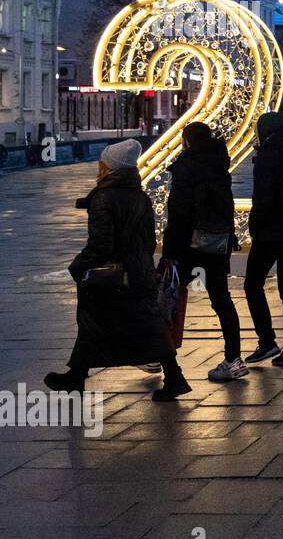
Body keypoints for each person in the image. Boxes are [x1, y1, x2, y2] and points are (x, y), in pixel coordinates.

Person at [46, 139, 192, 401]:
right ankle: (77, 376)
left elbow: (101, 244)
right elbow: (149, 239)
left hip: (113, 275)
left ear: (109, 168)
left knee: (96, 322)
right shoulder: (140, 195)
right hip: (139, 271)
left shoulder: (104, 197)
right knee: (144, 325)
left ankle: (174, 377)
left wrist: (78, 267)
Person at [160, 122, 244, 381]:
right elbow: (225, 205)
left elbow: (179, 213)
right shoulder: (219, 164)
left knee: (167, 299)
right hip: (217, 243)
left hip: (188, 247)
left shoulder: (187, 166)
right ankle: (234, 359)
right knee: (222, 300)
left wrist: (169, 251)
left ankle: (158, 357)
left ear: (186, 141)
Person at [244, 112, 283, 368]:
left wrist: (255, 228)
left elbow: (263, 199)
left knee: (252, 285)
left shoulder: (269, 154)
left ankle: (267, 340)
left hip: (271, 231)